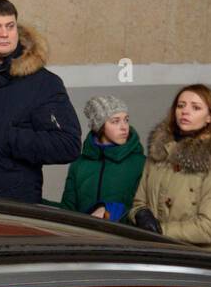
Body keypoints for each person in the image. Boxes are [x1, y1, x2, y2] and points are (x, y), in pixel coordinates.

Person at [0, 0, 80, 203]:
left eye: (10, 26)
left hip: (10, 206)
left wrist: (8, 138)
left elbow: (67, 144)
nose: (5, 34)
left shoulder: (43, 83)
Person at [130, 84, 211, 251]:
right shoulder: (159, 154)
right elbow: (139, 203)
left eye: (196, 107)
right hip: (154, 253)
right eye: (180, 105)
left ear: (209, 117)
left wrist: (160, 230)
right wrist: (140, 215)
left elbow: (208, 229)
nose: (185, 111)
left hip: (195, 262)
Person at [59, 94, 146, 222]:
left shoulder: (141, 164)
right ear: (99, 126)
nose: (124, 127)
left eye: (126, 120)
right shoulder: (79, 165)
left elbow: (146, 211)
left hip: (125, 240)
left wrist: (110, 211)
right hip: (85, 239)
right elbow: (67, 212)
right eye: (115, 121)